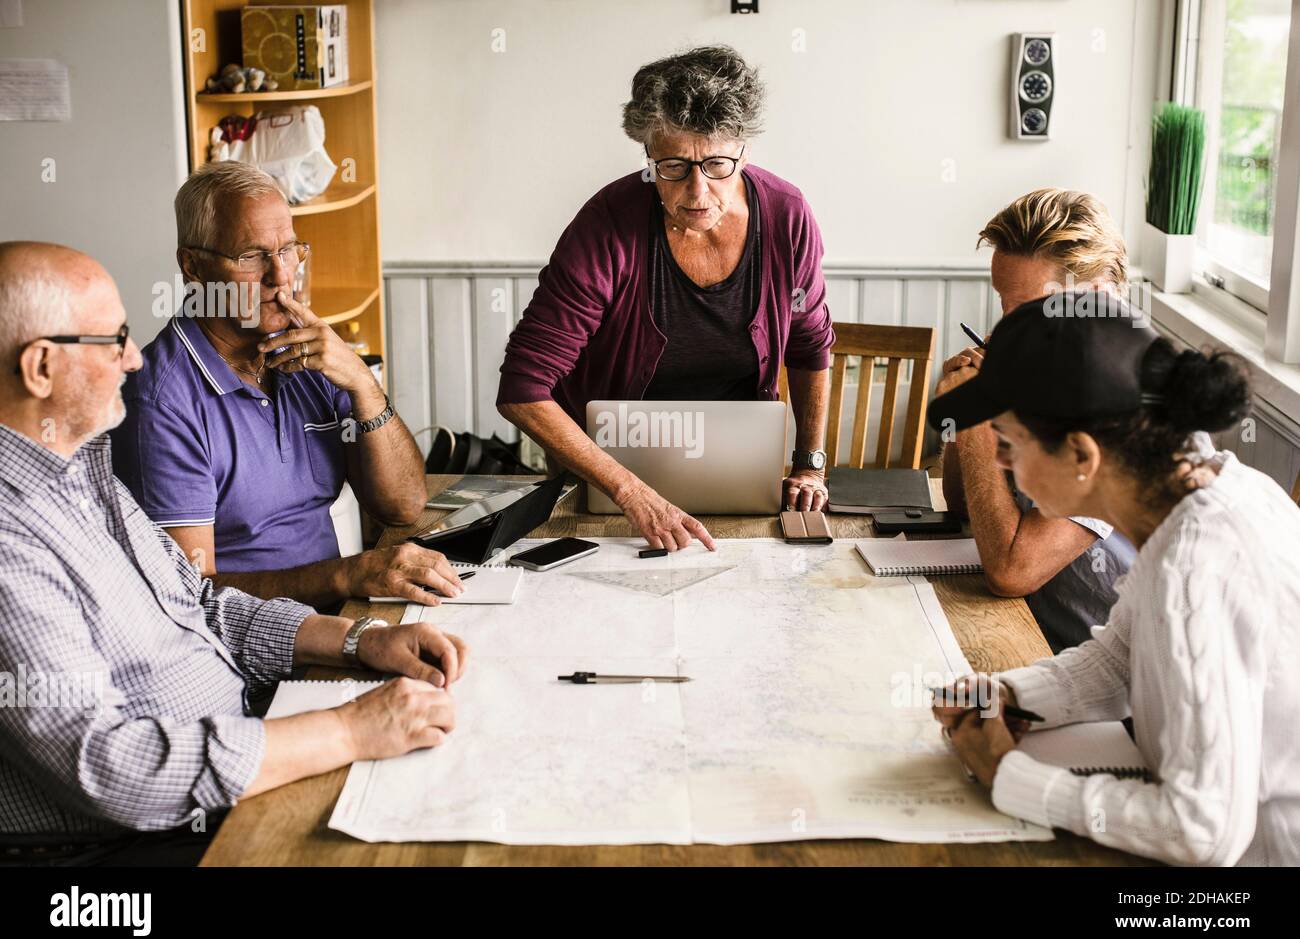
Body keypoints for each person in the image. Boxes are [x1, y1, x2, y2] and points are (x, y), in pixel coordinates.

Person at [0, 242, 463, 864]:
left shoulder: (82, 467)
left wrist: (361, 641)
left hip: (235, 746)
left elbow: (198, 602)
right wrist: (350, 729)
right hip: (127, 843)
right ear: (40, 368)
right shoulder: (11, 540)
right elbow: (114, 769)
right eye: (114, 341)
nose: (134, 360)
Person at [928, 290, 1300, 866]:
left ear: (1081, 455)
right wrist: (1009, 695)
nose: (1000, 461)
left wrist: (1008, 774)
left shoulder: (1195, 564)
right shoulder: (1191, 496)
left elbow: (1201, 832)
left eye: (1009, 441)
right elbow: (1118, 661)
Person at [496, 46, 835, 552]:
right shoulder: (609, 222)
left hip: (734, 471)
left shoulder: (786, 216)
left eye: (719, 164)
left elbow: (809, 348)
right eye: (673, 167)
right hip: (608, 476)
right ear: (648, 154)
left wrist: (809, 465)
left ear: (744, 151)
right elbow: (523, 388)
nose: (697, 192)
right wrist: (631, 490)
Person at [112, 162, 462, 611]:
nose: (281, 276)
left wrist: (361, 382)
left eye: (290, 250)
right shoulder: (159, 402)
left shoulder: (306, 353)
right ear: (193, 266)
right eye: (252, 256)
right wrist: (349, 574)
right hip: (251, 657)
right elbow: (185, 597)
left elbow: (404, 505)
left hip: (339, 618)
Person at [937, 188, 1137, 651]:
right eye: (1004, 306)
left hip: (1124, 686)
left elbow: (1011, 572)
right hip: (1041, 642)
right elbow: (964, 508)